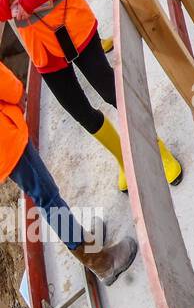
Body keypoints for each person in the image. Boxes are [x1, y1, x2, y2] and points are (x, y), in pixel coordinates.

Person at [0, 0, 182, 194]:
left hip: (71, 22)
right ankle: (125, 159)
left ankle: (156, 149)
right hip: (41, 44)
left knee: (112, 91)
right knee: (81, 111)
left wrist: (24, 0)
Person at [0, 60, 136, 284]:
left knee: (47, 197)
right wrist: (16, 92)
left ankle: (87, 244)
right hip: (7, 141)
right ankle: (102, 263)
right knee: (49, 199)